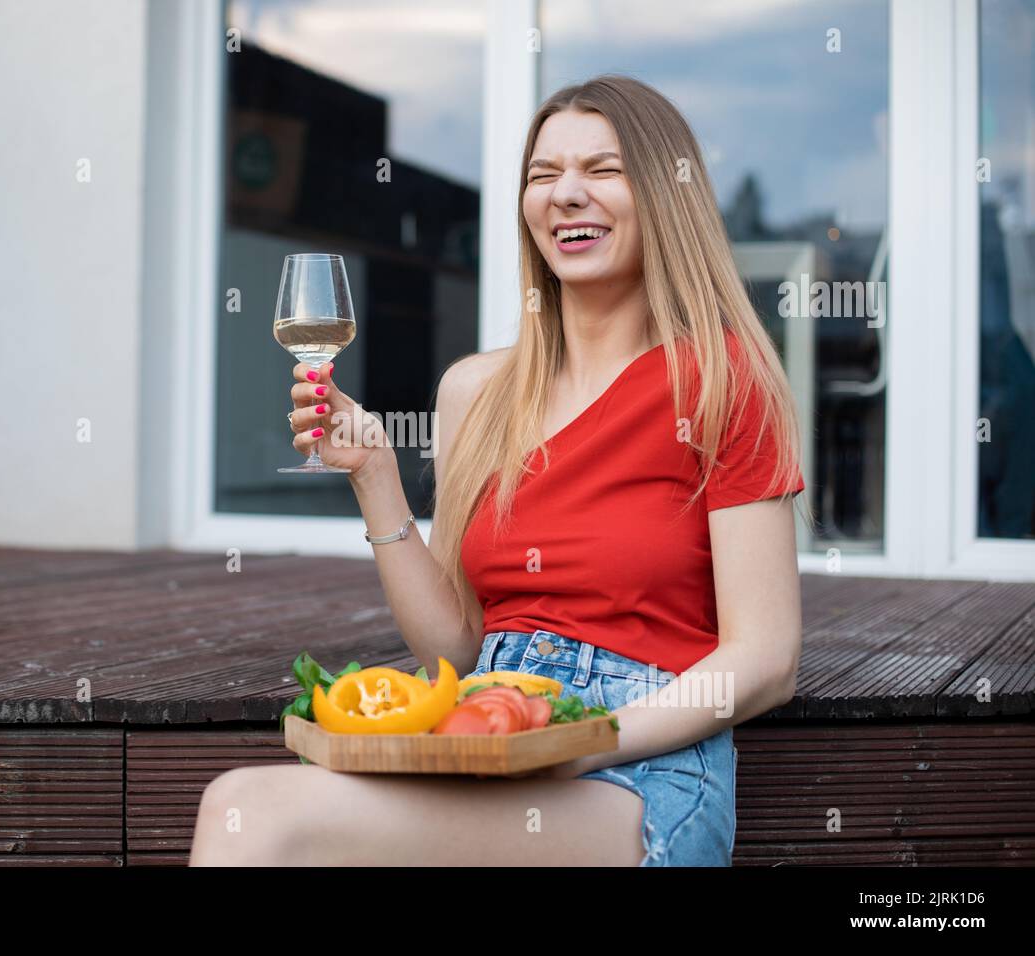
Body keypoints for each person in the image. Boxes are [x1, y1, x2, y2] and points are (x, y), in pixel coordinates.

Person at [189, 74, 809, 867]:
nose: (566, 196)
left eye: (603, 170)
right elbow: (456, 647)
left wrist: (586, 742)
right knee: (244, 810)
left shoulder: (723, 382)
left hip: (643, 769)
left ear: (665, 194)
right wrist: (374, 475)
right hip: (486, 735)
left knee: (254, 813)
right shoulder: (475, 391)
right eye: (543, 176)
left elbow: (764, 660)